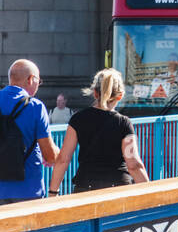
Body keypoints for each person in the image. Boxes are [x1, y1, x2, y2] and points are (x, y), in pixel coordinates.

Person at [49, 68, 148, 195]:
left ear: (95, 93)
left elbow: (63, 159)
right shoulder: (124, 123)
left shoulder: (77, 119)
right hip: (118, 189)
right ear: (120, 95)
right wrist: (150, 194)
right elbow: (134, 165)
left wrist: (53, 192)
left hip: (85, 188)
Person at [0, 59, 59, 204]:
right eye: (38, 81)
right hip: (28, 191)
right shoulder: (35, 107)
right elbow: (50, 157)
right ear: (31, 79)